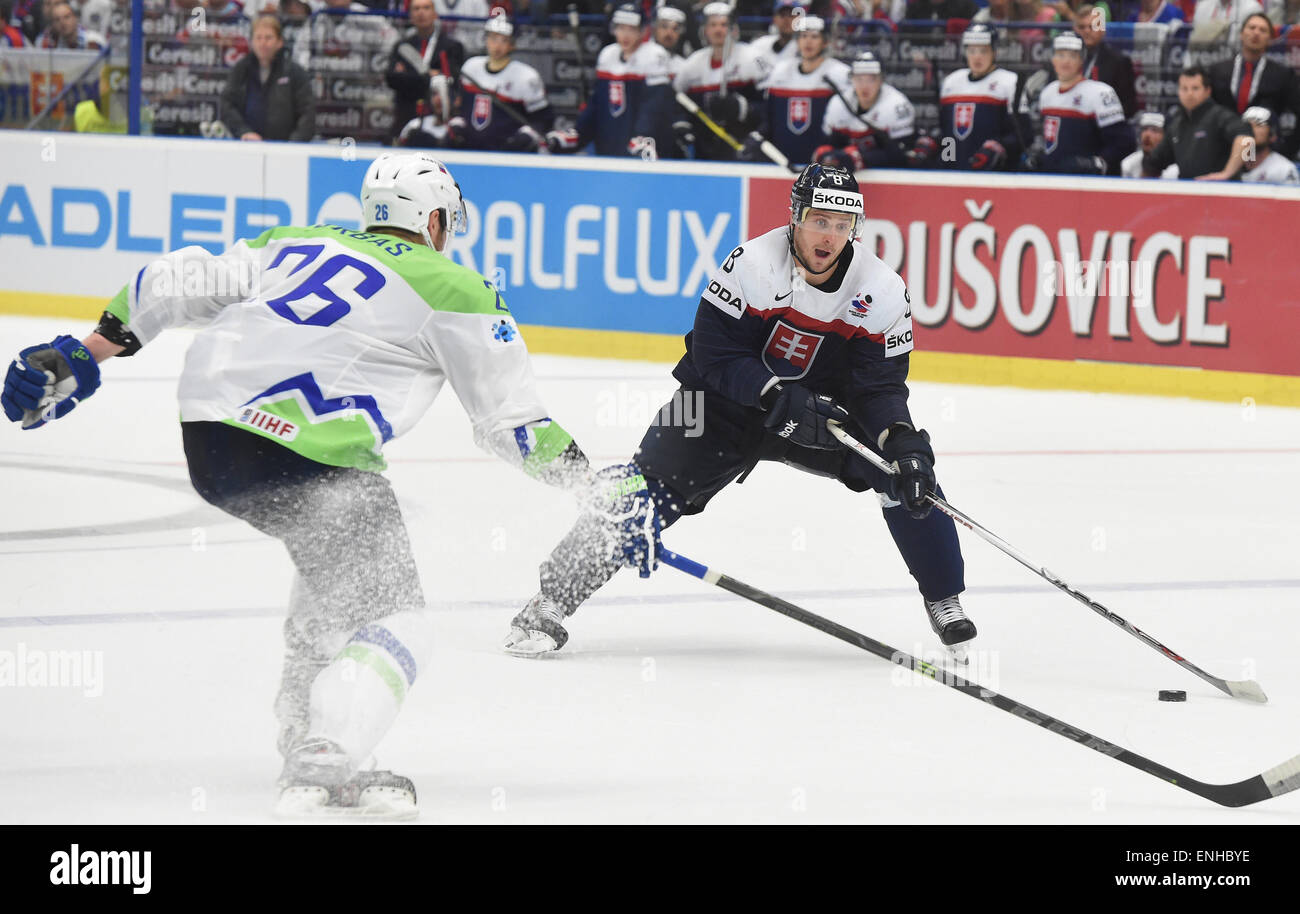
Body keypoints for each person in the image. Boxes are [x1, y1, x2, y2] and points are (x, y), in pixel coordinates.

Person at [0, 152, 654, 818]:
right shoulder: (458, 288)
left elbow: (173, 278)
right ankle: (327, 753)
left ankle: (302, 727)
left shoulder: (292, 242)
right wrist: (593, 490)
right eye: (446, 223)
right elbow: (516, 428)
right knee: (396, 617)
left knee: (334, 568)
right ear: (431, 221)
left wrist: (85, 352)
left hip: (213, 439)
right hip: (312, 457)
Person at [504, 164, 976, 666]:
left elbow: (878, 385)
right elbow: (712, 352)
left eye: (843, 225)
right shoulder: (751, 263)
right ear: (795, 216)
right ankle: (550, 600)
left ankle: (944, 596)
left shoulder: (881, 289)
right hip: (717, 404)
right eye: (820, 220)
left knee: (903, 473)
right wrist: (772, 391)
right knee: (642, 487)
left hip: (817, 416)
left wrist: (898, 435)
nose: (830, 235)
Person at [411, 12, 556, 152]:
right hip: (470, 149)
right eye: (493, 38)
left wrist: (526, 137)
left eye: (504, 40)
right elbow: (461, 107)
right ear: (486, 39)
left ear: (513, 44)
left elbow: (543, 118)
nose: (497, 46)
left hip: (508, 153)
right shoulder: (470, 67)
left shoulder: (527, 76)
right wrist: (457, 124)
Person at [556, 4, 673, 158]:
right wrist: (578, 132)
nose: (625, 35)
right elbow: (597, 103)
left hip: (643, 146)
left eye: (631, 29)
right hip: (609, 144)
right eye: (621, 28)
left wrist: (643, 135)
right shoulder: (607, 54)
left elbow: (653, 106)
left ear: (642, 30)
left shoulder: (655, 55)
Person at [1022, 32, 1134, 174]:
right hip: (1053, 180)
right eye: (1061, 55)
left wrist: (1098, 162)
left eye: (1073, 56)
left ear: (1082, 60)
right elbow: (1048, 139)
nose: (1066, 61)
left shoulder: (1101, 93)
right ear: (1053, 59)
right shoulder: (1047, 93)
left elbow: (1125, 142)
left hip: (1088, 184)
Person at [752, 13, 851, 166]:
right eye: (803, 36)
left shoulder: (839, 74)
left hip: (824, 167)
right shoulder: (780, 71)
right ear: (797, 41)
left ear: (825, 42)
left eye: (814, 37)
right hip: (782, 165)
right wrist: (758, 137)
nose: (808, 42)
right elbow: (770, 118)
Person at [673, 2, 764, 160]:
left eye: (724, 25)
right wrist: (683, 123)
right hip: (706, 147)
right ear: (705, 30)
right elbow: (677, 101)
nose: (718, 30)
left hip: (742, 144)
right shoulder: (694, 63)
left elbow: (768, 109)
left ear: (734, 29)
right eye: (713, 25)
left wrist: (742, 107)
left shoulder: (751, 59)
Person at [935, 23, 1025, 171]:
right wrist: (947, 162)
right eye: (972, 51)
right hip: (955, 173)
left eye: (983, 51)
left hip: (994, 176)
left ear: (994, 52)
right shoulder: (951, 82)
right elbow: (947, 133)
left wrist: (997, 149)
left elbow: (1023, 135)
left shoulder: (1010, 82)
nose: (977, 57)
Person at [1210, 13, 1300, 158]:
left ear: (1270, 39)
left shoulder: (1282, 75)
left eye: (1262, 30)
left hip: (1262, 154)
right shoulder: (1218, 70)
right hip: (1221, 150)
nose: (1256, 33)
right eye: (1252, 27)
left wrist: (1288, 148)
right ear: (1241, 34)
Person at [814, 51, 921, 170]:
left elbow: (902, 156)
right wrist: (826, 157)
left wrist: (860, 158)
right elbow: (826, 146)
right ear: (852, 79)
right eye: (859, 79)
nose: (864, 86)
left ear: (881, 79)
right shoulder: (837, 103)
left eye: (871, 79)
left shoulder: (897, 105)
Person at [1144, 65, 1253, 179]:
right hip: (1188, 192)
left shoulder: (1220, 116)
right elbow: (1154, 163)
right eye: (1184, 88)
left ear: (1207, 91)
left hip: (1221, 191)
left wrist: (1227, 173)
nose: (1189, 93)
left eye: (1195, 88)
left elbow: (1247, 139)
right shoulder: (1177, 124)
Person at [219, 15, 316, 143]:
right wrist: (243, 132)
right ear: (252, 42)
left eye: (268, 38)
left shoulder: (295, 72)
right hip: (248, 145)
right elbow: (227, 104)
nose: (263, 43)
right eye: (258, 38)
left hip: (286, 148)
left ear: (279, 42)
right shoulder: (241, 69)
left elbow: (307, 112)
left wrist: (294, 143)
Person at [385, 0, 465, 143]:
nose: (421, 12)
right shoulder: (402, 46)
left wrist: (408, 77)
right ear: (410, 15)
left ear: (435, 13)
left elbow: (451, 80)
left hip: (438, 118)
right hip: (406, 113)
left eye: (426, 8)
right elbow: (392, 78)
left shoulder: (451, 46)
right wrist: (429, 77)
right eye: (416, 9)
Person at [1074, 3, 1138, 117]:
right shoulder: (1065, 61)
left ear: (1103, 29)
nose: (1087, 31)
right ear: (1075, 29)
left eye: (1093, 26)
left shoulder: (1119, 62)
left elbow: (1129, 106)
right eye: (1082, 27)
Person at [1240, 105, 1299, 182]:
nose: (1250, 129)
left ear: (1272, 135)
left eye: (1259, 125)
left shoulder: (1284, 169)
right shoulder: (1226, 162)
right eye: (1247, 124)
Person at [750, 0, 803, 81]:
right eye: (782, 15)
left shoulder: (807, 48)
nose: (787, 20)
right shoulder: (759, 45)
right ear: (774, 19)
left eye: (791, 15)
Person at [1121, 111, 1179, 176]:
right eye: (1144, 129)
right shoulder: (1128, 164)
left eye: (1155, 130)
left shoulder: (1176, 169)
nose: (1147, 135)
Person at [36, 0, 103, 48]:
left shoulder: (94, 40)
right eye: (57, 20)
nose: (62, 22)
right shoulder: (46, 42)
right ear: (53, 25)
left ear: (75, 18)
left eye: (67, 17)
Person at [652, 4, 689, 81]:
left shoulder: (684, 66)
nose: (669, 33)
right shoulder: (641, 59)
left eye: (675, 29)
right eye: (664, 27)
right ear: (655, 29)